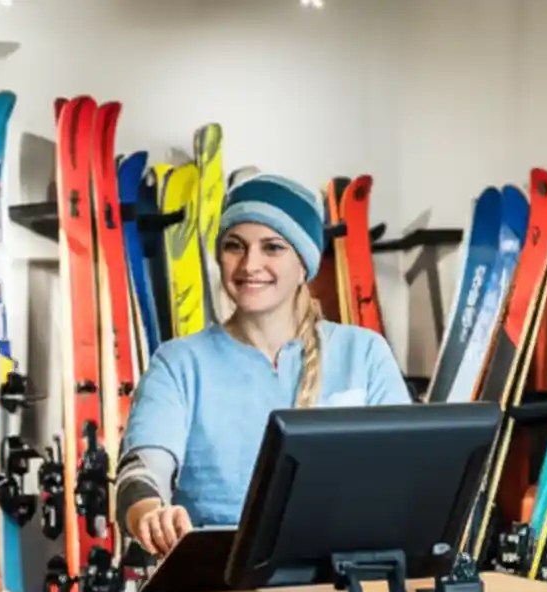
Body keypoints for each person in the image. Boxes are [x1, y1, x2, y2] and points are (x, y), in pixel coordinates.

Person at [116, 174, 412, 556]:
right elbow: (139, 472)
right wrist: (151, 514)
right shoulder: (179, 363)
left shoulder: (364, 353)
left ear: (303, 264)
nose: (250, 264)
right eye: (234, 246)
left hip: (337, 581)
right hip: (214, 583)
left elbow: (402, 474)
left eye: (272, 248)